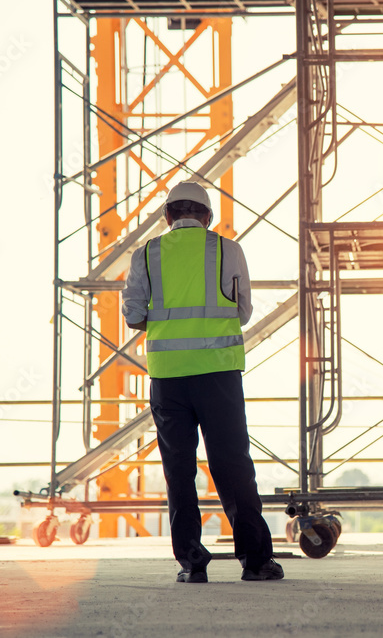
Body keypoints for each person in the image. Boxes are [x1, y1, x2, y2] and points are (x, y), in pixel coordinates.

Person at [121, 181, 283, 583]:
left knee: (179, 469)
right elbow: (242, 312)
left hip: (168, 378)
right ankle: (256, 561)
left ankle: (192, 563)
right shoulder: (229, 249)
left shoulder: (146, 253)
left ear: (167, 216)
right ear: (207, 217)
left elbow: (133, 315)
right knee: (233, 465)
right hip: (218, 373)